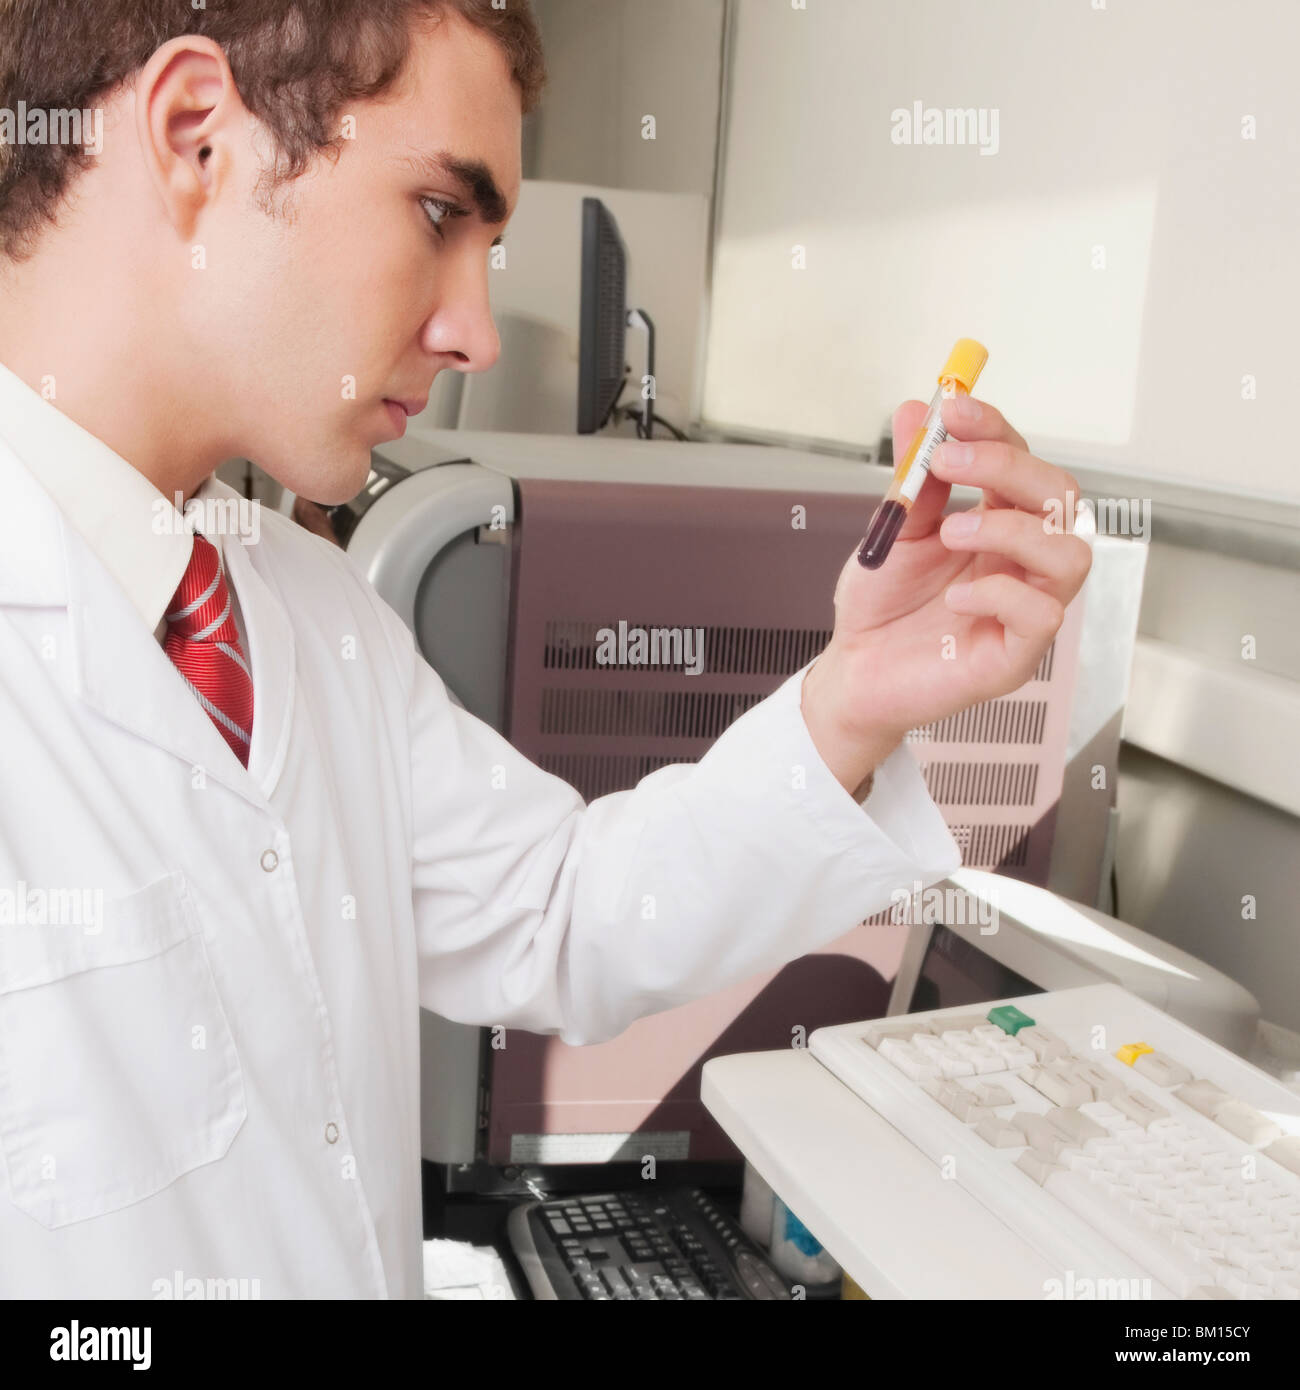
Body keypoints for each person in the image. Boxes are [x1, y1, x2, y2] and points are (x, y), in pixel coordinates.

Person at [0, 0, 1092, 1297]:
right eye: (434, 216)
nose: (477, 331)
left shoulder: (305, 609)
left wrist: (858, 695)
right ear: (197, 140)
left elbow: (565, 916)